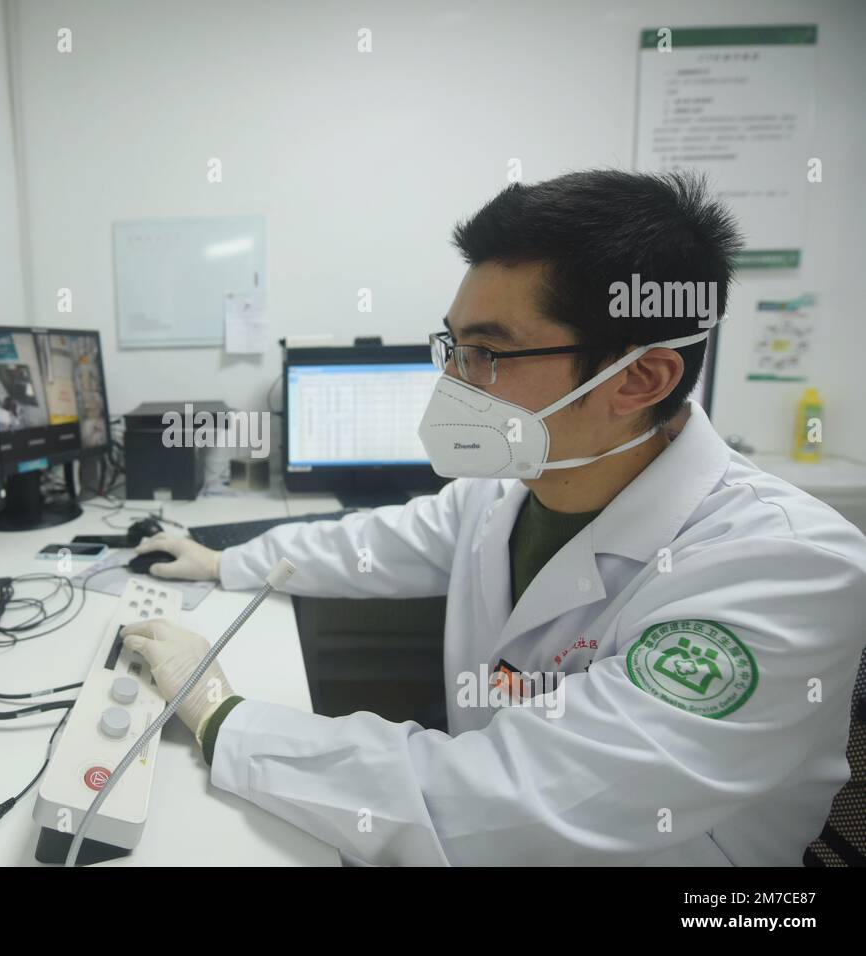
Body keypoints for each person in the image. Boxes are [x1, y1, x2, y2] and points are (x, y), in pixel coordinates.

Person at [120, 170, 866, 866]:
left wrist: (221, 716)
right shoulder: (517, 483)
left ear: (639, 377)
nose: (452, 381)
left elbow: (519, 799)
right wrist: (227, 561)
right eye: (453, 345)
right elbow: (380, 541)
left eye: (486, 353)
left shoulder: (783, 569)